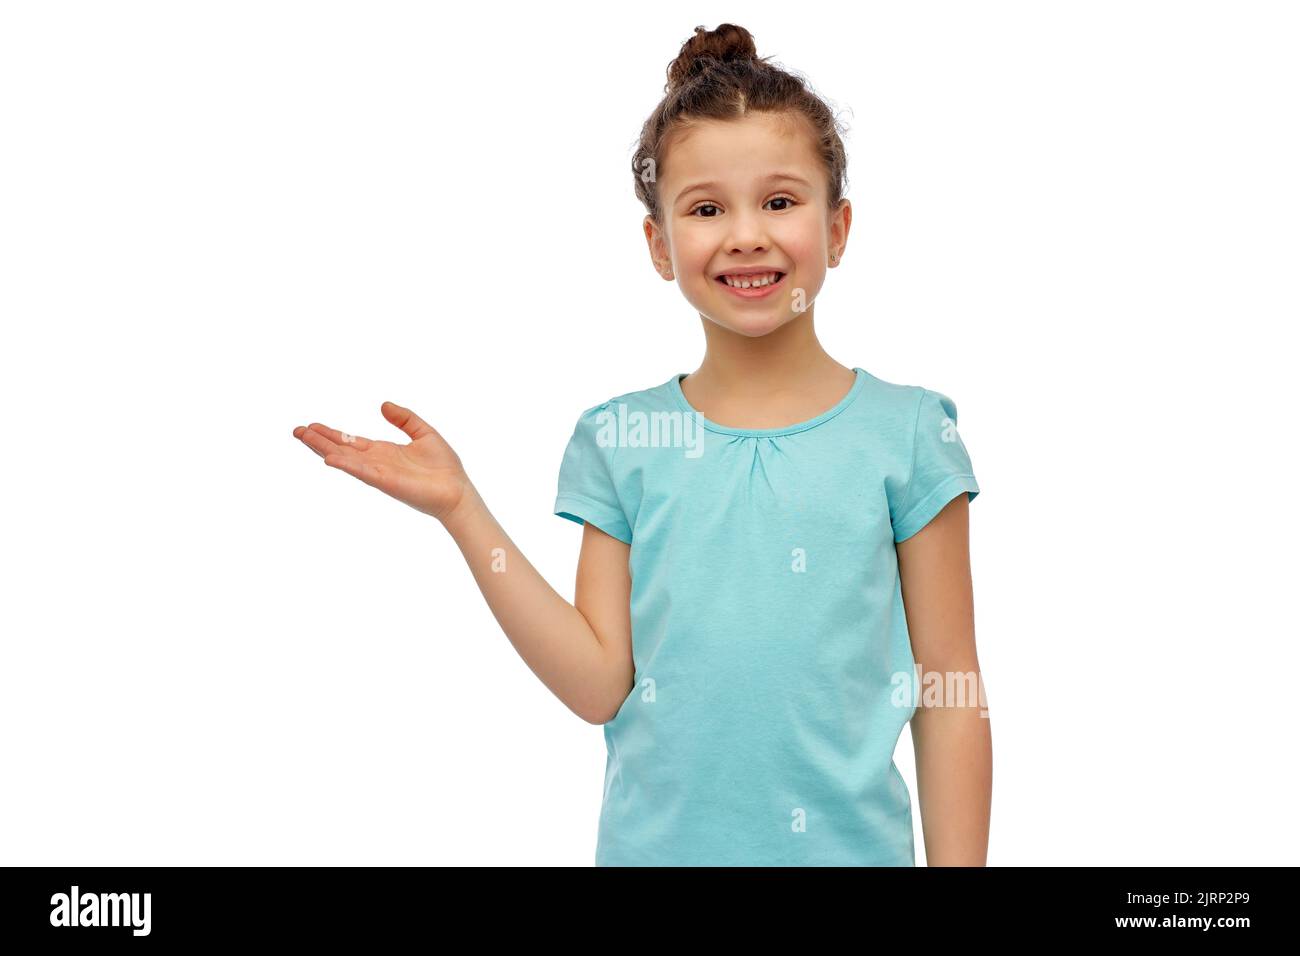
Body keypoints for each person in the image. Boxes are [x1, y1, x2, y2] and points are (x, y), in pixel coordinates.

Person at [293, 22, 991, 866]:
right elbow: (598, 686)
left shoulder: (908, 434)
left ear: (837, 228)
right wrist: (461, 510)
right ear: (660, 246)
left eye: (780, 200)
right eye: (706, 209)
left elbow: (949, 694)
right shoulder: (621, 441)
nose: (746, 235)